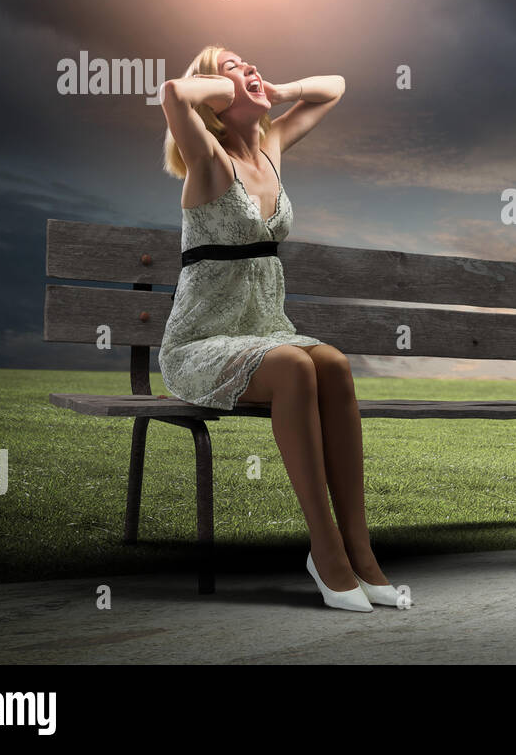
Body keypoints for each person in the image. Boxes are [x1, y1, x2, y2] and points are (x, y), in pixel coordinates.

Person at [157, 44, 404, 613]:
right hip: (201, 343)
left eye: (248, 62)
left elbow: (334, 85)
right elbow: (173, 94)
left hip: (267, 330)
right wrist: (225, 85)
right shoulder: (208, 158)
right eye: (232, 68)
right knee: (296, 365)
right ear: (216, 101)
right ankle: (325, 551)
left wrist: (273, 91)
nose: (248, 69)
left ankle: (360, 551)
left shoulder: (269, 148)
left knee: (334, 363)